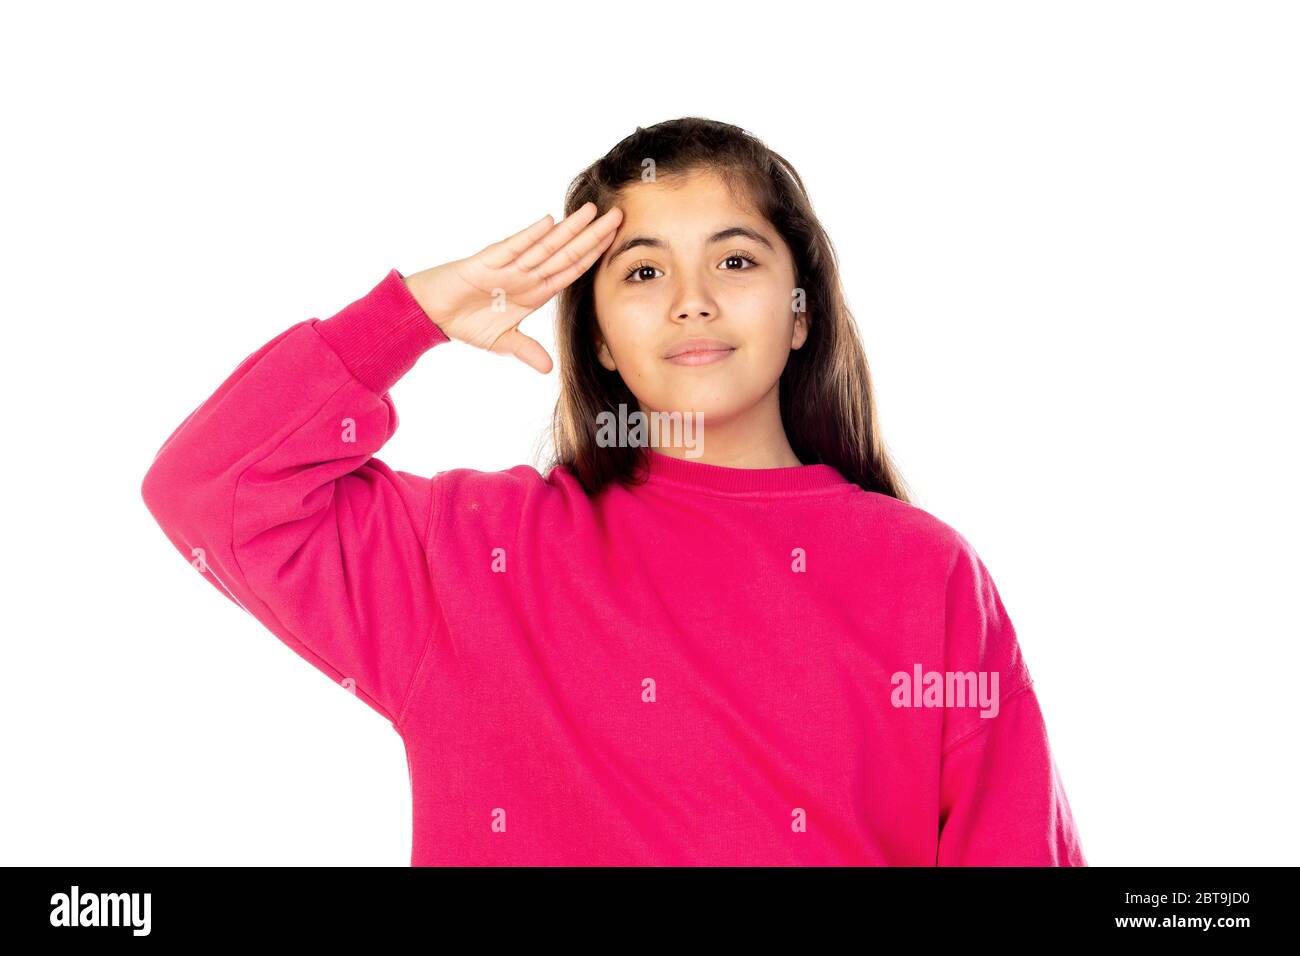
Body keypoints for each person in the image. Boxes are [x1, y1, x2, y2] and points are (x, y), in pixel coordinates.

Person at [140, 116, 1087, 866]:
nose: (693, 299)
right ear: (594, 337)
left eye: (737, 260)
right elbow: (210, 489)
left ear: (802, 317)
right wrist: (410, 318)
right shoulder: (472, 553)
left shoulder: (925, 573)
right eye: (642, 271)